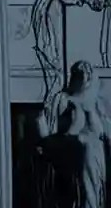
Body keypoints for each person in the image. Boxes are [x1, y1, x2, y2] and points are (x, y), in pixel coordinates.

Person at [38, 60, 111, 208]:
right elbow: (51, 129)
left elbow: (103, 131)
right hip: (72, 151)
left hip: (94, 154)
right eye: (81, 73)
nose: (85, 76)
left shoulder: (97, 103)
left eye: (88, 72)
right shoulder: (63, 99)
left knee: (92, 187)